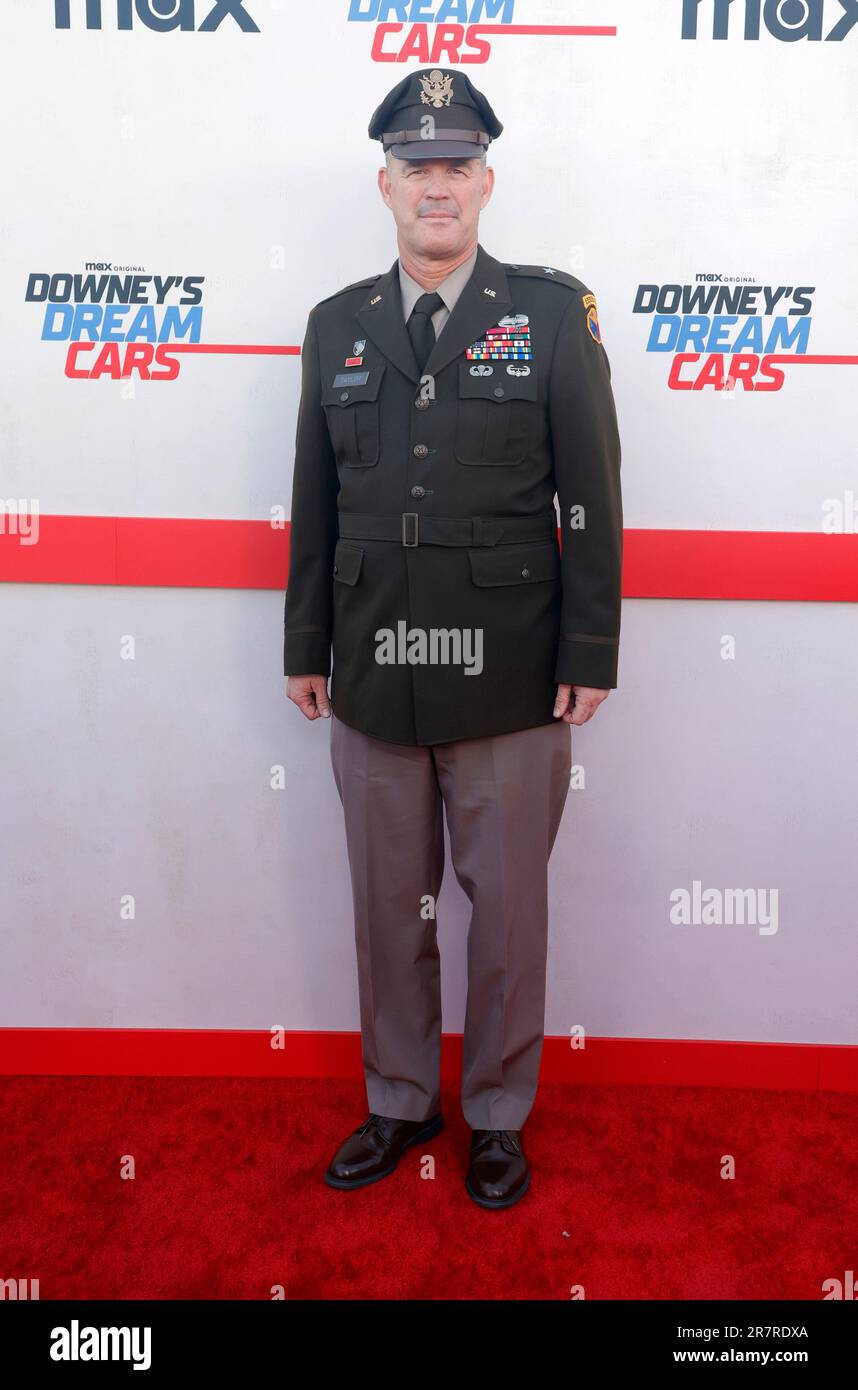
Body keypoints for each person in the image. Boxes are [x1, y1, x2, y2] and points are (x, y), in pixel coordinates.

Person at [283, 67, 622, 1209]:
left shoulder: (548, 314)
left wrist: (589, 652)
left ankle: (497, 1116)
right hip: (375, 674)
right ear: (385, 185)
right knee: (389, 909)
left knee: (508, 913)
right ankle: (396, 1099)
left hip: (512, 679)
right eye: (417, 168)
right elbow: (316, 500)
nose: (438, 186)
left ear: (487, 182)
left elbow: (592, 496)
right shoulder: (337, 325)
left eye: (457, 167)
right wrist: (305, 642)